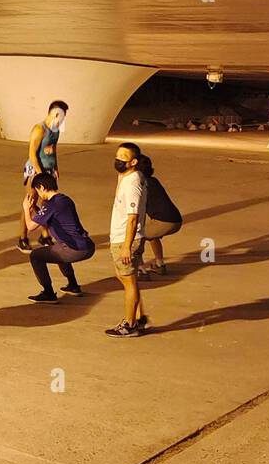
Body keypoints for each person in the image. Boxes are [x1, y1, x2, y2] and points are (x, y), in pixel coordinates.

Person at [22, 172, 95, 303]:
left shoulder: (51, 205)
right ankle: (73, 285)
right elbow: (49, 217)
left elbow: (30, 226)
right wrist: (36, 209)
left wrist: (26, 210)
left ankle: (48, 292)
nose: (38, 195)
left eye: (38, 191)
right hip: (87, 245)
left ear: (42, 187)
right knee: (57, 250)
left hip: (75, 249)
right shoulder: (64, 199)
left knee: (35, 256)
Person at [105, 143, 148, 337]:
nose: (118, 160)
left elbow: (133, 218)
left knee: (129, 282)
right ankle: (139, 316)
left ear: (133, 162)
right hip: (119, 237)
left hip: (126, 239)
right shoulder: (125, 177)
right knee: (123, 277)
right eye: (117, 155)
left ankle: (130, 324)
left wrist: (126, 248)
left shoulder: (133, 183)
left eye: (123, 157)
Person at [17, 100, 67, 253]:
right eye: (63, 116)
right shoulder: (39, 130)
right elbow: (32, 154)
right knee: (30, 202)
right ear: (56, 113)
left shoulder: (56, 129)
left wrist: (55, 167)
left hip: (48, 170)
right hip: (35, 171)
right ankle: (22, 238)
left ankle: (45, 235)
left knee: (46, 205)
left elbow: (53, 149)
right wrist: (40, 174)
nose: (64, 119)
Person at [134, 150, 183, 277]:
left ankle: (140, 270)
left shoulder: (141, 184)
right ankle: (159, 264)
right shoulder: (153, 180)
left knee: (137, 237)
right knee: (152, 235)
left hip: (164, 221)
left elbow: (139, 211)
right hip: (175, 219)